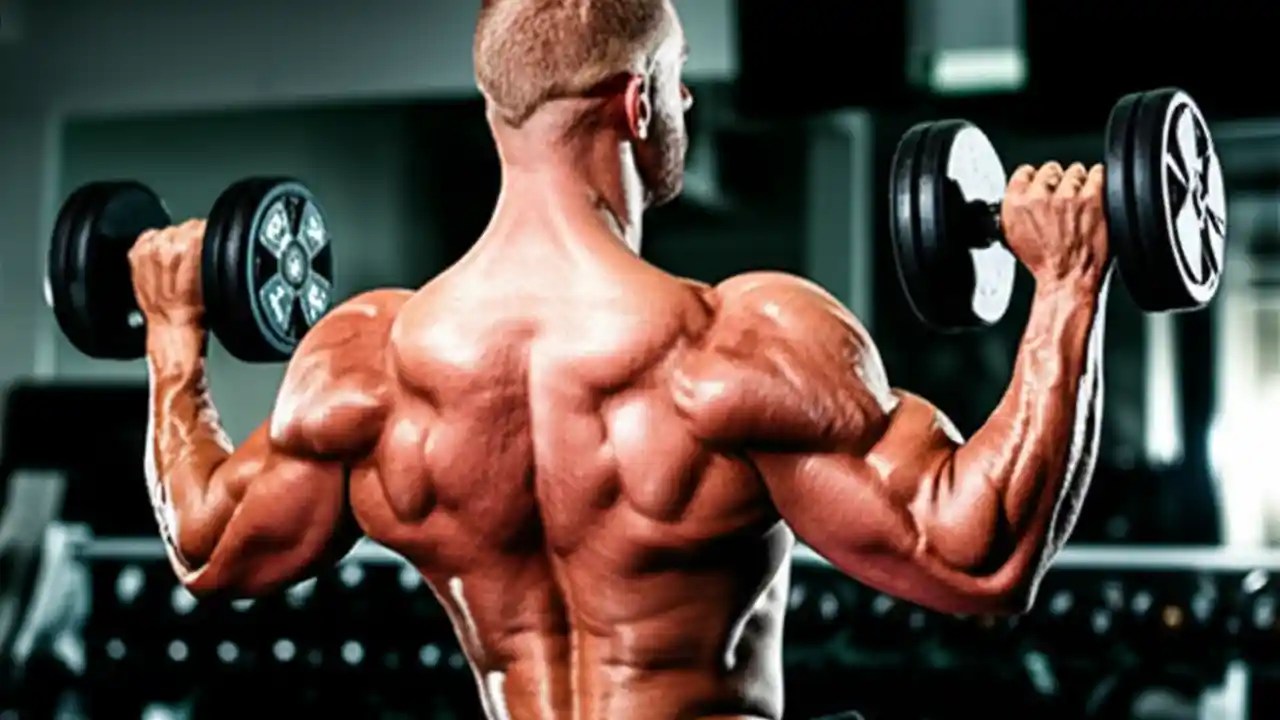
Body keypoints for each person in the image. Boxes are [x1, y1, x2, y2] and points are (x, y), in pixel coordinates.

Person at [126, 1, 1110, 717]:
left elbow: (210, 548)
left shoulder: (368, 368)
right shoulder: (737, 346)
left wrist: (174, 336)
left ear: (493, 111)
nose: (685, 94)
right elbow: (976, 557)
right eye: (674, 75)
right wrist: (1066, 281)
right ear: (635, 103)